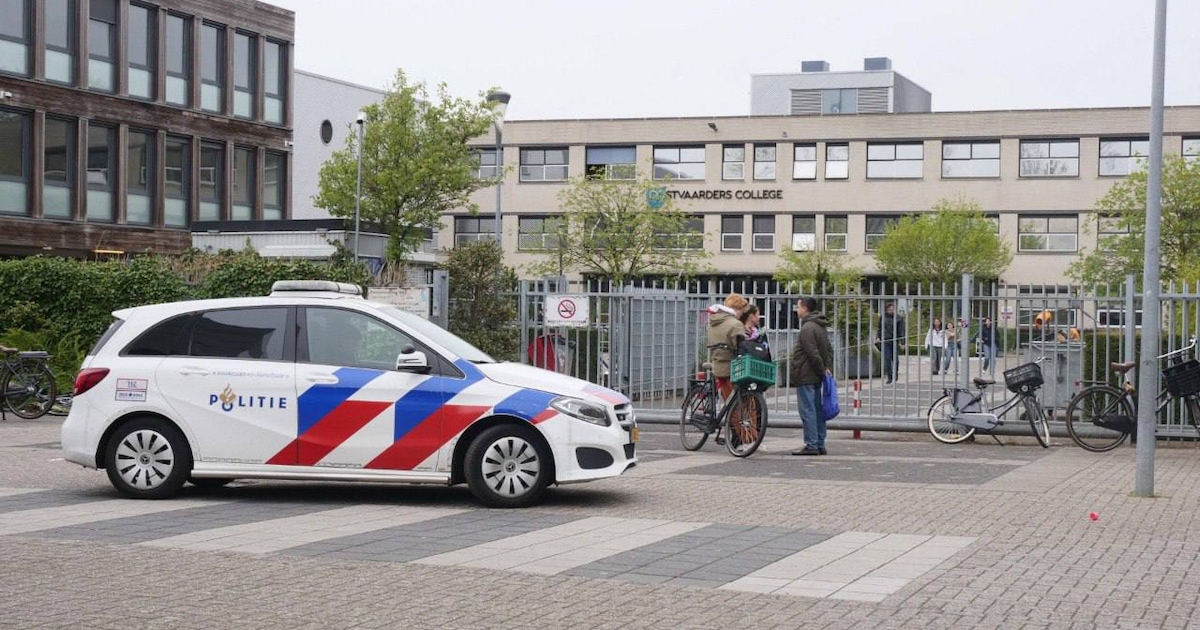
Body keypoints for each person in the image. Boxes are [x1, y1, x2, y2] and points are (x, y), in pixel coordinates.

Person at [790, 297, 834, 456]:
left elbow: (812, 352)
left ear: (805, 308)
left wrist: (822, 369)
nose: (796, 309)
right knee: (816, 410)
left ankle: (812, 444)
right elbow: (828, 349)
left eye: (798, 306)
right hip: (815, 374)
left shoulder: (807, 327)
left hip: (806, 373)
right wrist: (825, 368)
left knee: (808, 410)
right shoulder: (819, 326)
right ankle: (819, 443)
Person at [706, 293, 749, 400]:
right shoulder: (735, 324)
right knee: (738, 406)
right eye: (741, 311)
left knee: (728, 400)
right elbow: (740, 347)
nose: (741, 315)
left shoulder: (714, 321)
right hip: (732, 368)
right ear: (737, 308)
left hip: (718, 364)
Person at [876, 302, 904, 384]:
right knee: (887, 359)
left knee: (895, 359)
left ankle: (895, 374)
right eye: (889, 310)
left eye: (892, 309)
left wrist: (902, 342)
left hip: (894, 340)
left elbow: (901, 330)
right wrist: (878, 337)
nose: (891, 311)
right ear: (886, 310)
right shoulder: (882, 317)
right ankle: (889, 376)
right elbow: (879, 328)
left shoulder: (899, 318)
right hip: (885, 340)